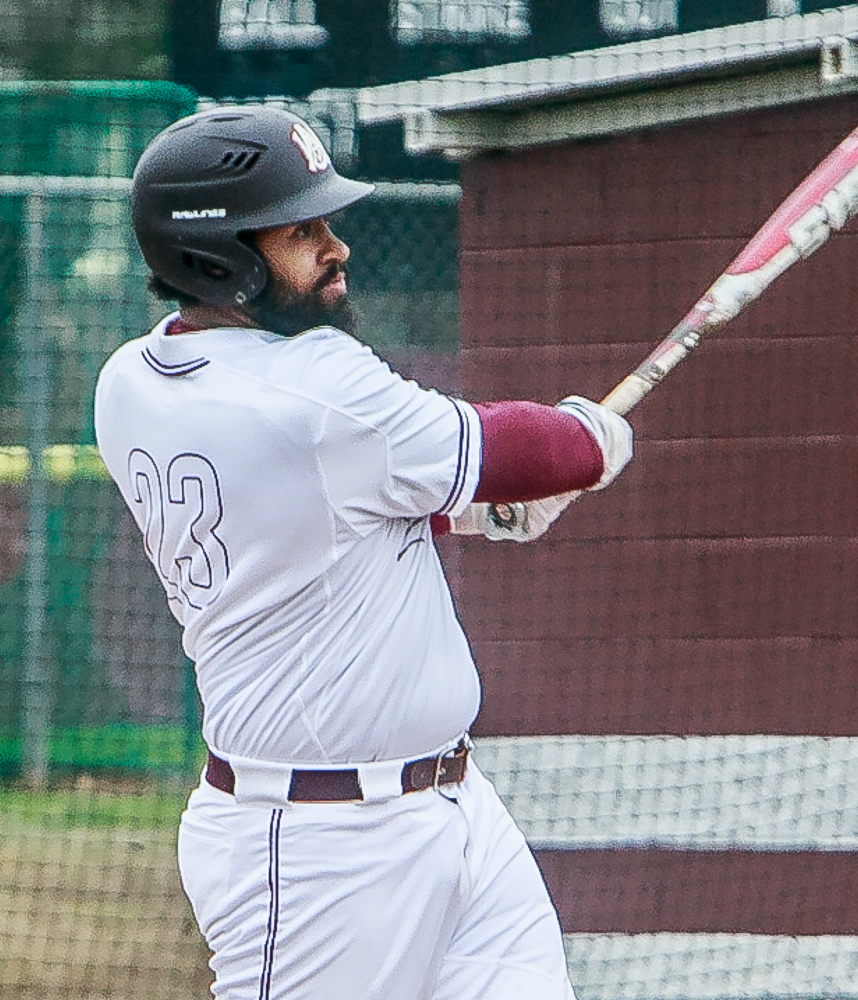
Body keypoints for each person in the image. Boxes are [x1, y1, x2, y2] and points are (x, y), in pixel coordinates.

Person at [93, 105, 632, 1000]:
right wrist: (596, 435)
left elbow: (317, 518)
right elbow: (540, 452)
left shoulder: (129, 383)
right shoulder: (319, 387)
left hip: (456, 812)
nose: (335, 248)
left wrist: (469, 516)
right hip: (318, 846)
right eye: (300, 231)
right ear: (215, 254)